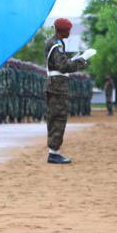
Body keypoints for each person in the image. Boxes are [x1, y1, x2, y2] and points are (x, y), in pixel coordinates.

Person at [44, 18, 94, 164]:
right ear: (62, 31)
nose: (69, 32)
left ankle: (54, 151)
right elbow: (63, 66)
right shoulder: (56, 45)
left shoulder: (56, 43)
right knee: (58, 118)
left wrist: (76, 58)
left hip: (56, 86)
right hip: (57, 87)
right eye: (68, 30)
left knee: (55, 117)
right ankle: (54, 153)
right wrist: (82, 59)